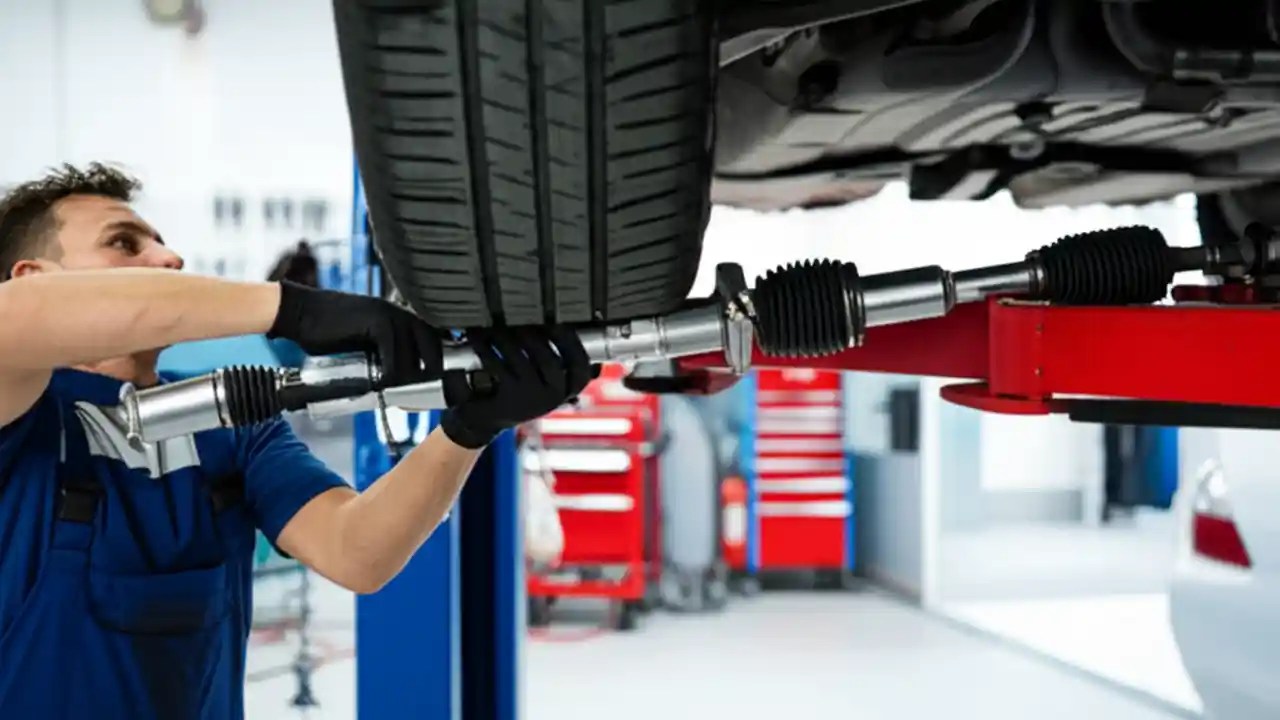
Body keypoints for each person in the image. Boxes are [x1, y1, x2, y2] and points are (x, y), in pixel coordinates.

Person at [0, 163, 593, 720]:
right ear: (32, 280)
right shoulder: (19, 414)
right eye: (125, 244)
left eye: (160, 242)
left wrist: (468, 430)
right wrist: (290, 309)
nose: (171, 257)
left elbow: (355, 551)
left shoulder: (226, 416)